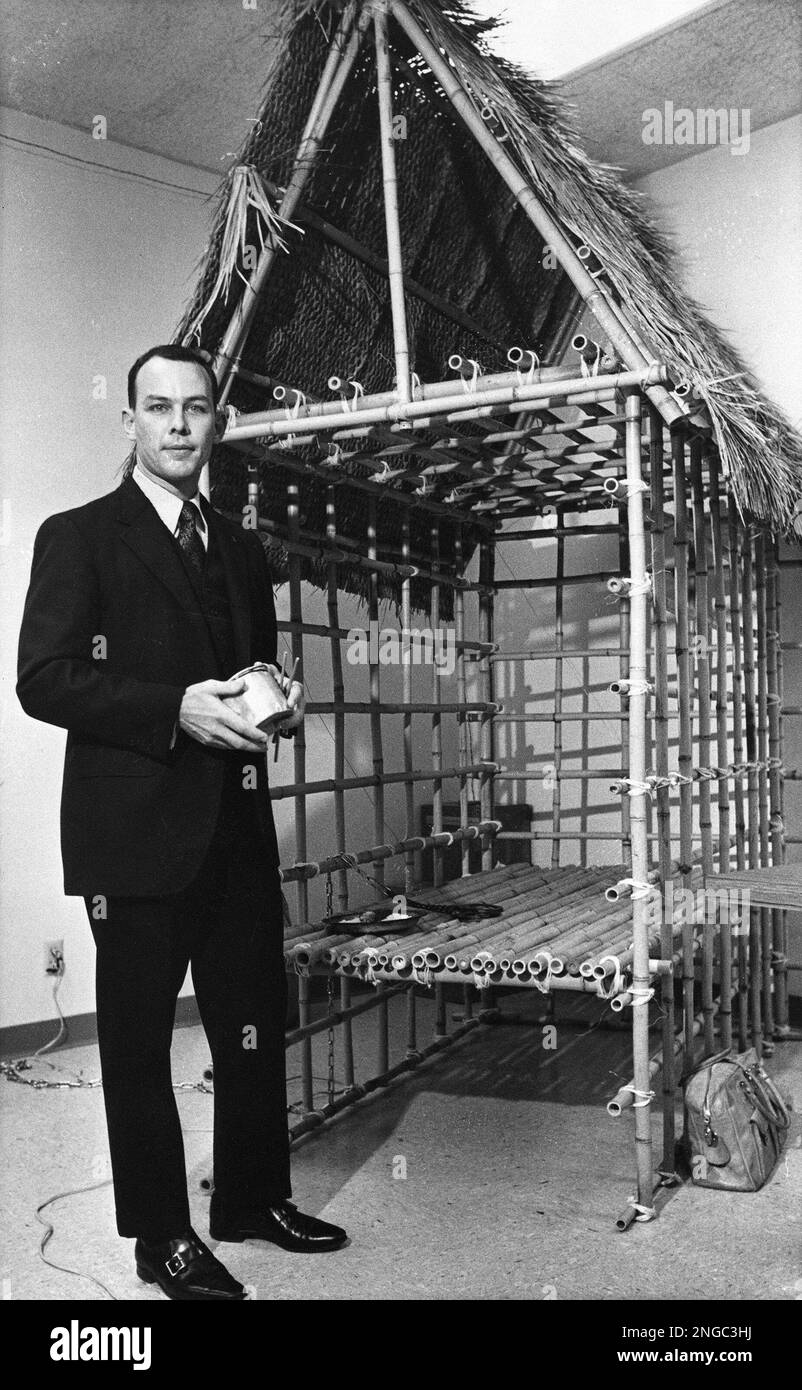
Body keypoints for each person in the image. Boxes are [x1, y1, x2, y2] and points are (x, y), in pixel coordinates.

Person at [17, 344, 348, 1301]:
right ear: (129, 422)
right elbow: (44, 679)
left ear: (218, 422)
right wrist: (173, 708)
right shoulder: (78, 536)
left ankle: (249, 1199)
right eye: (157, 407)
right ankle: (157, 1236)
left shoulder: (241, 548)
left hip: (237, 835)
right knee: (134, 1048)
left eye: (195, 408)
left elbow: (253, 668)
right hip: (133, 843)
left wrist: (272, 696)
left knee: (253, 1025)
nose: (176, 425)